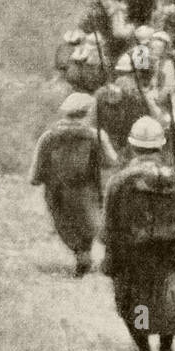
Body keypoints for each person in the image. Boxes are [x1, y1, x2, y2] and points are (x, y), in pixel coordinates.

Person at [103, 116, 175, 351]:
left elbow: (108, 228)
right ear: (161, 146)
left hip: (133, 258)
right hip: (171, 255)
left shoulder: (119, 181)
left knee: (137, 301)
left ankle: (144, 350)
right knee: (168, 299)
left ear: (133, 146)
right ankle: (166, 348)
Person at [29, 92, 118, 276]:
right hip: (87, 193)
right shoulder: (95, 135)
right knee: (93, 226)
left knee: (69, 228)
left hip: (57, 195)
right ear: (87, 112)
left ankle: (82, 257)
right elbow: (110, 161)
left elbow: (35, 176)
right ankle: (96, 258)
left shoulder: (48, 137)